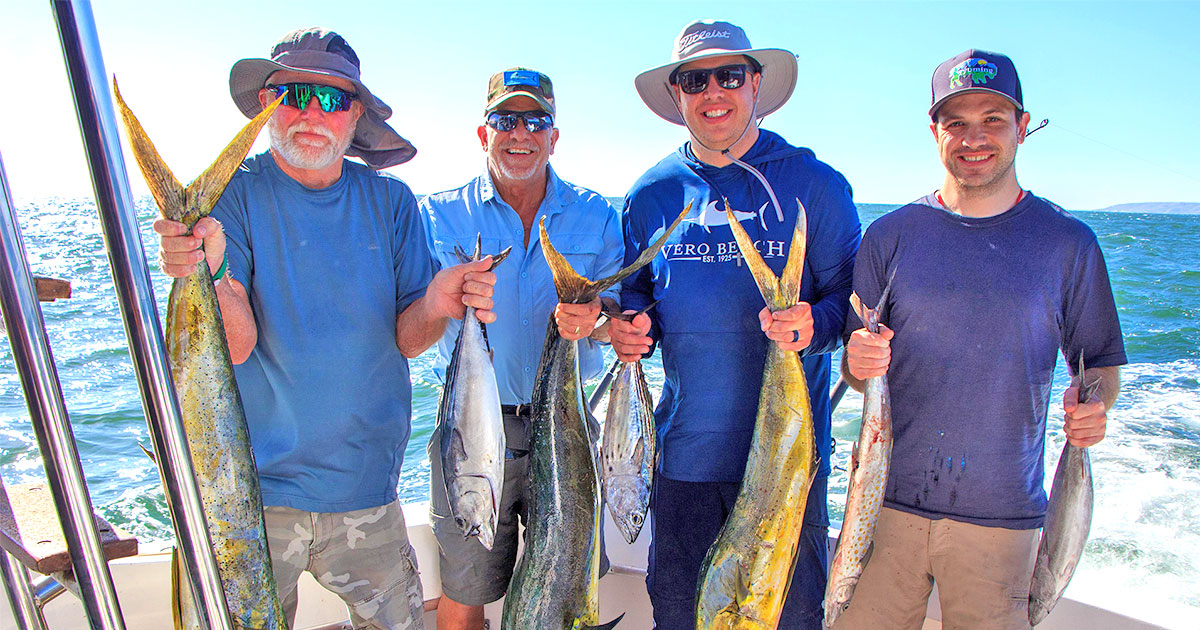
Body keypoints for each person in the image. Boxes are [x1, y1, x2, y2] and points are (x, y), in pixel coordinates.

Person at [154, 27, 499, 630]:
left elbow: (408, 339)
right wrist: (206, 276)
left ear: (355, 115)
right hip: (252, 499)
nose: (312, 113)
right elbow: (233, 344)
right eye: (295, 93)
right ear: (267, 103)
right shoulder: (233, 196)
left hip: (366, 488)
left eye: (333, 99)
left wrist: (441, 304)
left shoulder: (390, 202)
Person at [835, 50, 1125, 629]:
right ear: (934, 130)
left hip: (1003, 521)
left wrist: (1093, 405)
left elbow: (1100, 365)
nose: (974, 138)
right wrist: (856, 360)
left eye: (993, 119)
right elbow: (855, 368)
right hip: (880, 508)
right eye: (956, 122)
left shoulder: (1069, 244)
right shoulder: (888, 236)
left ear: (1022, 127)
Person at [609, 20, 862, 628]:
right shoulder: (651, 194)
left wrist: (812, 323)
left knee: (790, 615)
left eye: (728, 76)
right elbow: (635, 302)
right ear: (677, 96)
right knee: (678, 612)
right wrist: (626, 330)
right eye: (695, 80)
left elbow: (851, 308)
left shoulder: (816, 185)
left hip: (786, 460)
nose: (712, 92)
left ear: (755, 84)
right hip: (686, 458)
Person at [420, 67, 623, 630]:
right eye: (505, 120)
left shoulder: (596, 213)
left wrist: (596, 318)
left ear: (554, 136)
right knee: (466, 584)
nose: (520, 134)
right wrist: (446, 299)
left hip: (567, 424)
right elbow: (412, 328)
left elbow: (617, 320)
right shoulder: (437, 213)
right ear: (483, 134)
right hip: (473, 424)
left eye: (535, 121)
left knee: (570, 579)